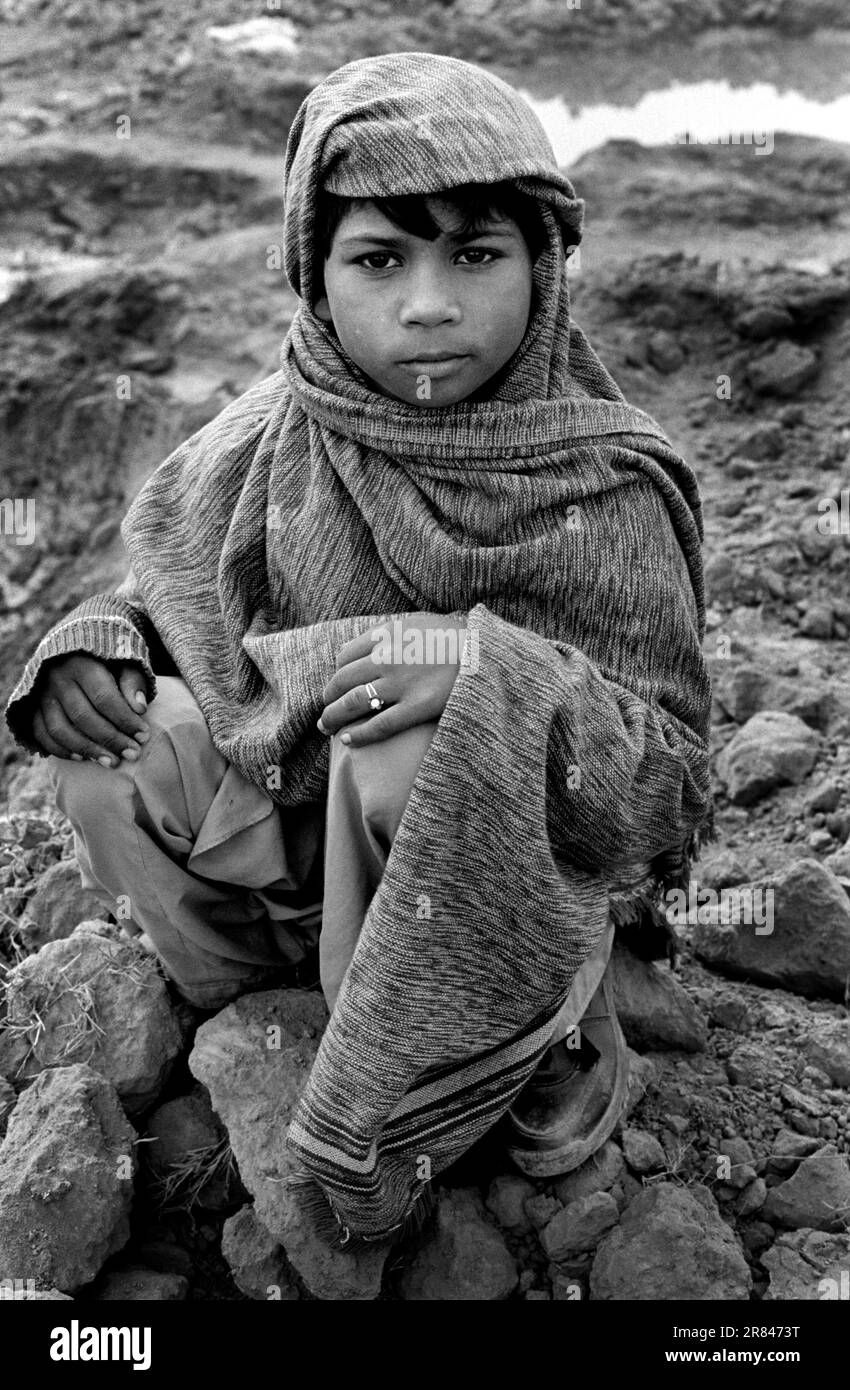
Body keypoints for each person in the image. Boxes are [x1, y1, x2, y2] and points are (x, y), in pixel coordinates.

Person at [4, 52, 714, 1244]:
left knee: (427, 737)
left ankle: (518, 1025)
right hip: (292, 844)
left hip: (492, 880)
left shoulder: (602, 479)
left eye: (474, 255)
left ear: (541, 265)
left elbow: (669, 777)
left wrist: (489, 676)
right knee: (110, 754)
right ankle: (272, 1013)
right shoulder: (274, 434)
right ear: (312, 270)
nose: (427, 306)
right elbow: (169, 599)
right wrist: (94, 650)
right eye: (379, 259)